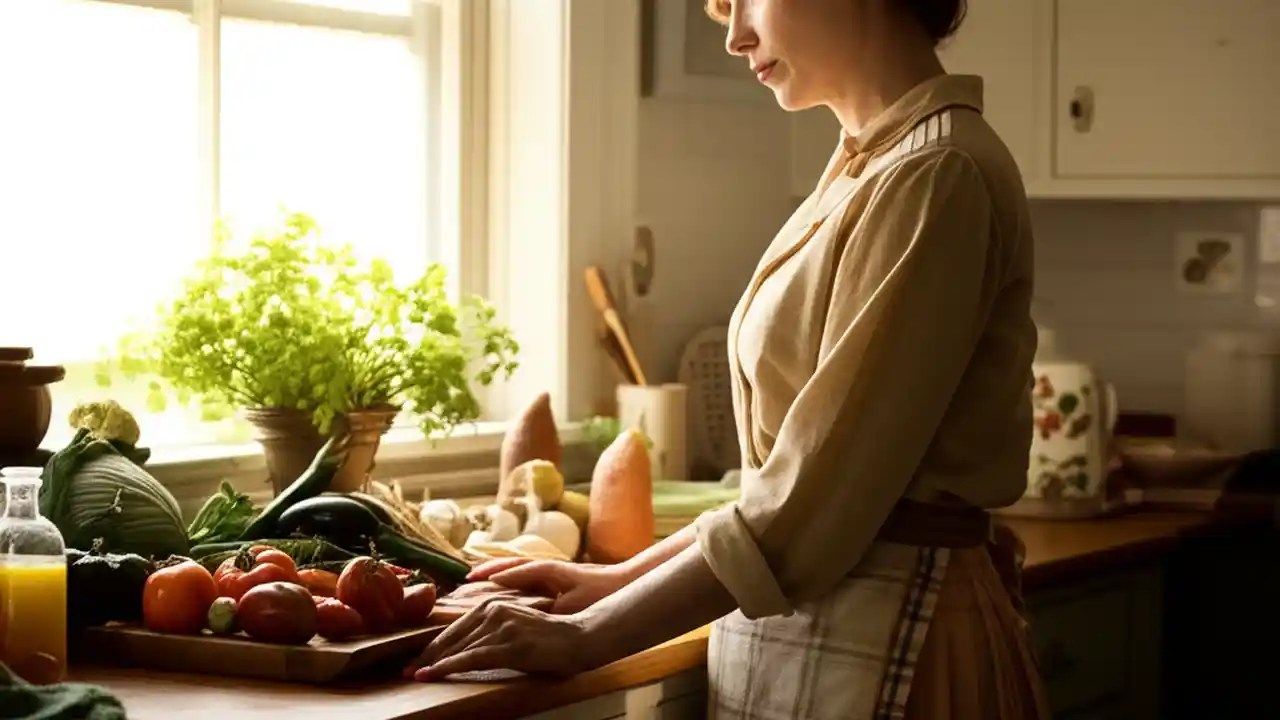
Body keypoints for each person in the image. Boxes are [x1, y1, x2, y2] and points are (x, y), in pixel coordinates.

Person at [407, 0, 1050, 716]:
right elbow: (775, 494)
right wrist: (608, 585)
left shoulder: (938, 172)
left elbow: (809, 505)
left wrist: (588, 636)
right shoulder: (869, 163)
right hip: (837, 631)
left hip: (901, 631)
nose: (737, 37)